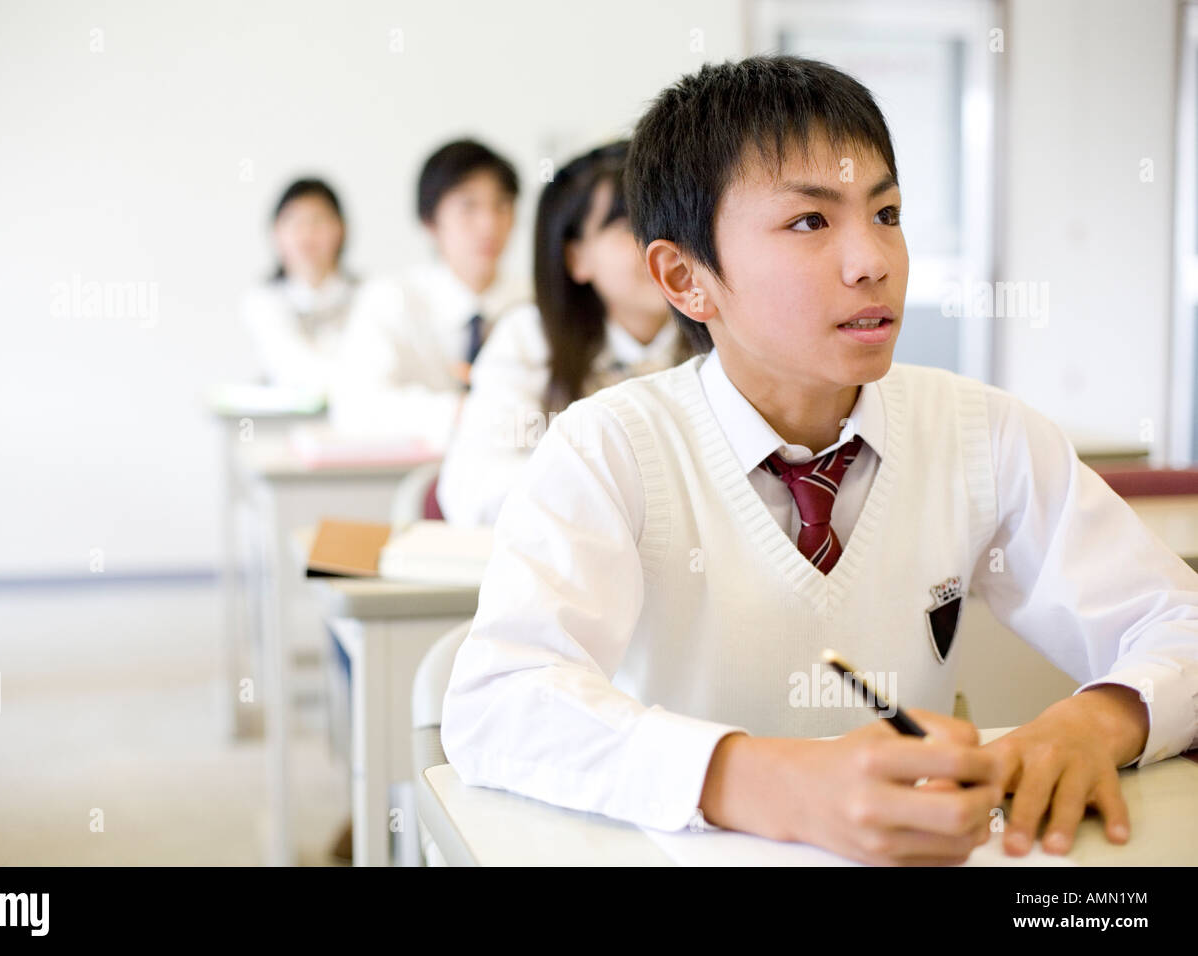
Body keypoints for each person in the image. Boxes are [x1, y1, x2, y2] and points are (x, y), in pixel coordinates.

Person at [440, 55, 1198, 866]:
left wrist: (1098, 719)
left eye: (888, 212)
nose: (871, 259)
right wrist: (765, 781)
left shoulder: (983, 431)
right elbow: (500, 701)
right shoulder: (611, 448)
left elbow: (1176, 621)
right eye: (810, 222)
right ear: (686, 278)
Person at [437, 141, 689, 527]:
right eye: (630, 228)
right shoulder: (530, 338)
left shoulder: (729, 333)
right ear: (577, 257)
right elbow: (473, 489)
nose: (661, 246)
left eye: (672, 221)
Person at [332, 139, 528, 448]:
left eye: (502, 205)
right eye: (469, 206)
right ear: (430, 220)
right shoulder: (391, 300)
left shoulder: (534, 302)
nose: (489, 224)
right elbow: (356, 407)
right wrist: (465, 415)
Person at [241, 178, 355, 401]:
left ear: (341, 229)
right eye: (295, 222)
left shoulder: (372, 297)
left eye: (317, 221)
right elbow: (292, 368)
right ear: (276, 233)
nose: (306, 234)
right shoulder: (263, 303)